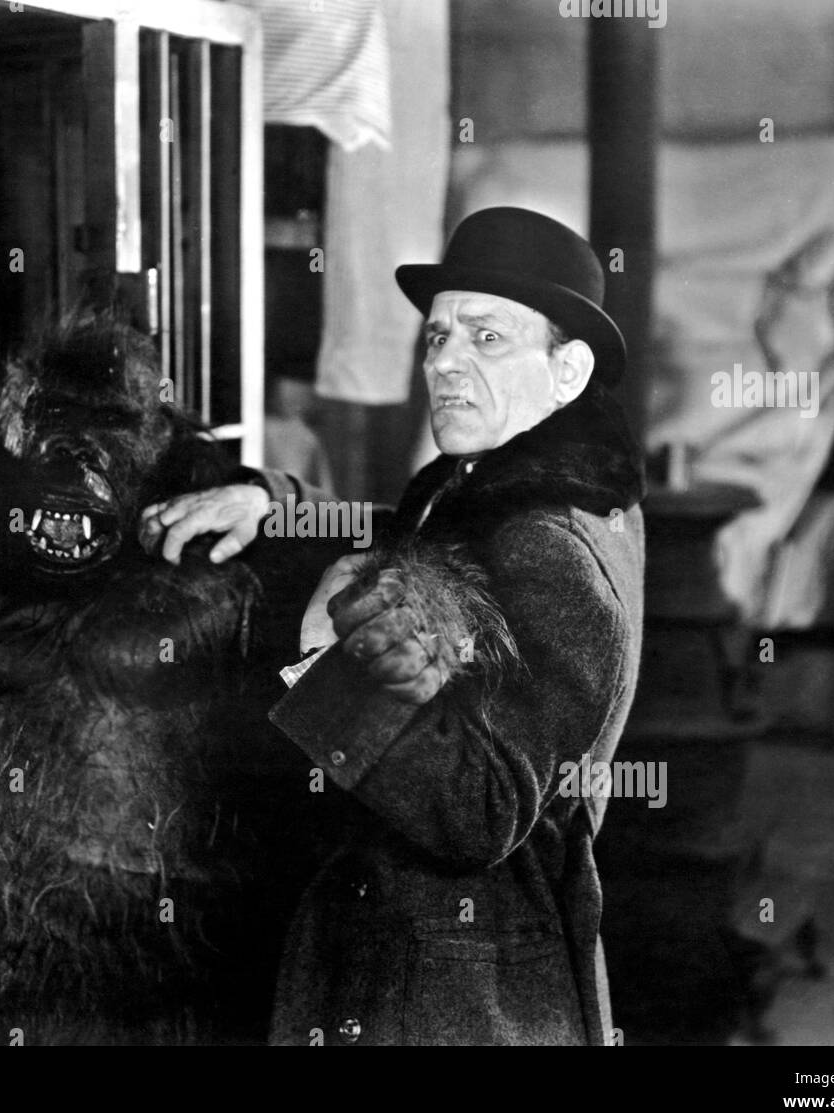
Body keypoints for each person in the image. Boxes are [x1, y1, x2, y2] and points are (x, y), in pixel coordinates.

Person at [142, 207, 645, 1045]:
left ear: (568, 369)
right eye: (437, 335)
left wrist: (327, 662)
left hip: (454, 992)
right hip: (429, 961)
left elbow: (481, 813)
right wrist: (276, 505)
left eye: (486, 339)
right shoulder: (512, 482)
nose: (444, 360)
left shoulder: (551, 550)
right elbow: (409, 531)